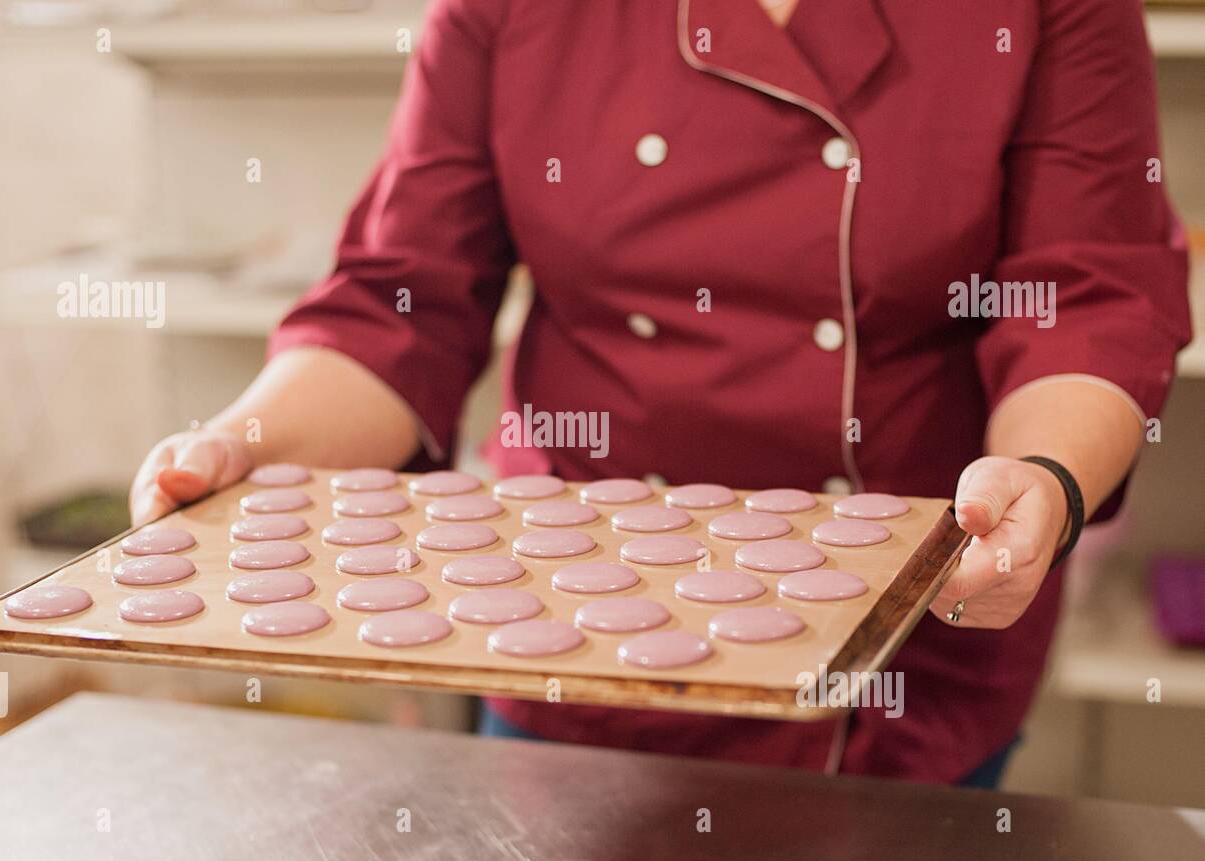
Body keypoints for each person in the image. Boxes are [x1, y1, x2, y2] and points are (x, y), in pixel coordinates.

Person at [130, 0, 1191, 787]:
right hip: (566, 627)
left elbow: (1084, 294)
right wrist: (245, 443)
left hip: (899, 639)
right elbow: (398, 302)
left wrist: (1044, 477)